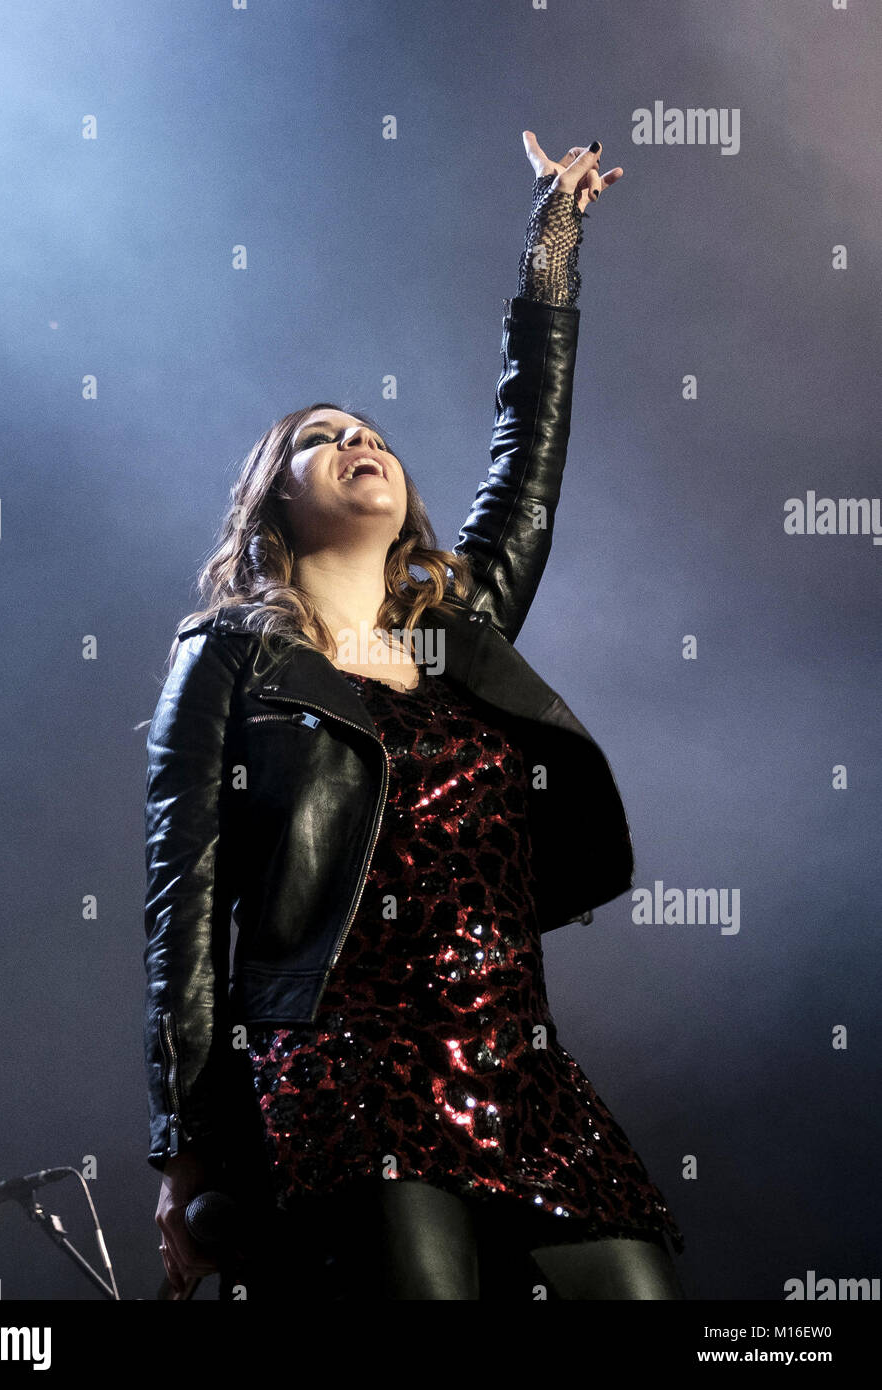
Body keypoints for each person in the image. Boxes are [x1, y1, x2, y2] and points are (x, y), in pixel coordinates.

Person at [144, 130, 686, 1300]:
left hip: (514, 1056)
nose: (361, 443)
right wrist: (182, 1137)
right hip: (339, 1060)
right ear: (272, 504)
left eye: (374, 435)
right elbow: (180, 910)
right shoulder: (231, 660)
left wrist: (553, 241)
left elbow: (528, 455)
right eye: (323, 439)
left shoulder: (458, 630)